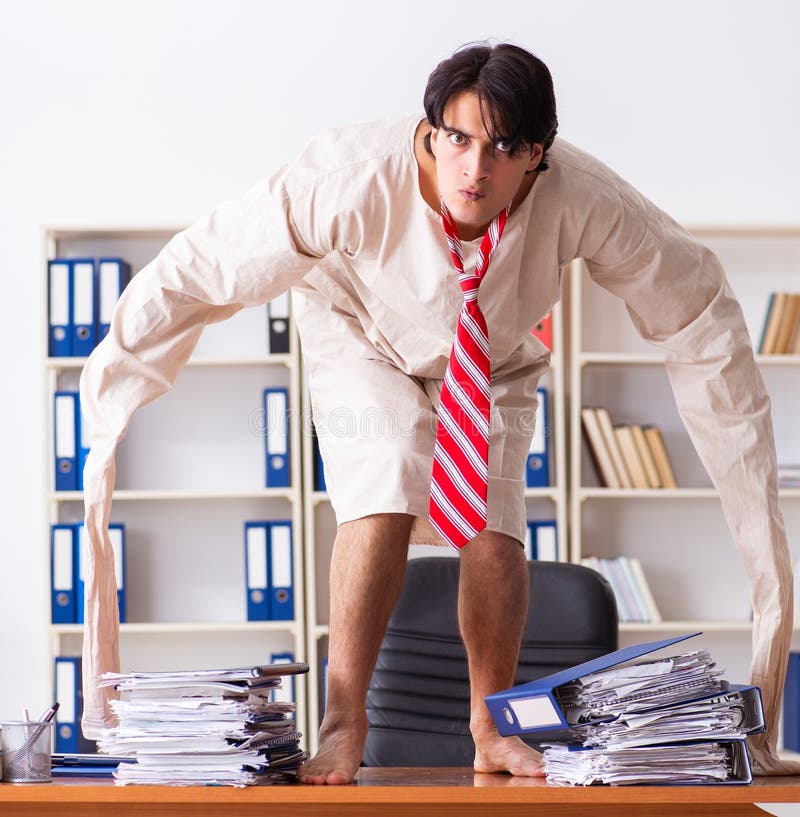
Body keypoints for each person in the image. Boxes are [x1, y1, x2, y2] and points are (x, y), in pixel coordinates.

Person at [79, 42, 796, 784]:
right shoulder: (346, 179)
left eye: (502, 147)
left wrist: (756, 519)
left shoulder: (582, 196)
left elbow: (696, 302)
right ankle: (342, 719)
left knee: (495, 525)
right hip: (364, 334)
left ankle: (490, 725)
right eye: (457, 139)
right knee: (385, 476)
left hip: (493, 352)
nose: (475, 168)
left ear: (537, 158)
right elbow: (203, 267)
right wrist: (110, 390)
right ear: (429, 135)